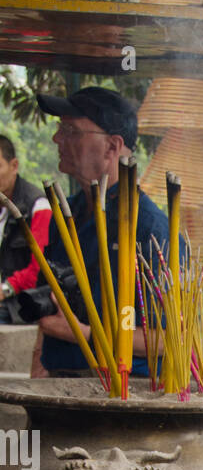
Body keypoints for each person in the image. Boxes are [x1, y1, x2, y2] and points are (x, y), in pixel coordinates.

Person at [29, 87, 171, 379]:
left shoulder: (148, 227)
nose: (57, 139)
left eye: (70, 130)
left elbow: (167, 338)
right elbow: (53, 306)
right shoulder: (67, 215)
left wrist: (84, 333)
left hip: (125, 391)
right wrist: (40, 363)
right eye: (59, 129)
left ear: (112, 146)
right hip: (59, 382)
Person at [0, 134, 51, 321]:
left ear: (14, 166)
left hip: (23, 303)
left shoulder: (38, 206)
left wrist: (6, 289)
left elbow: (38, 270)